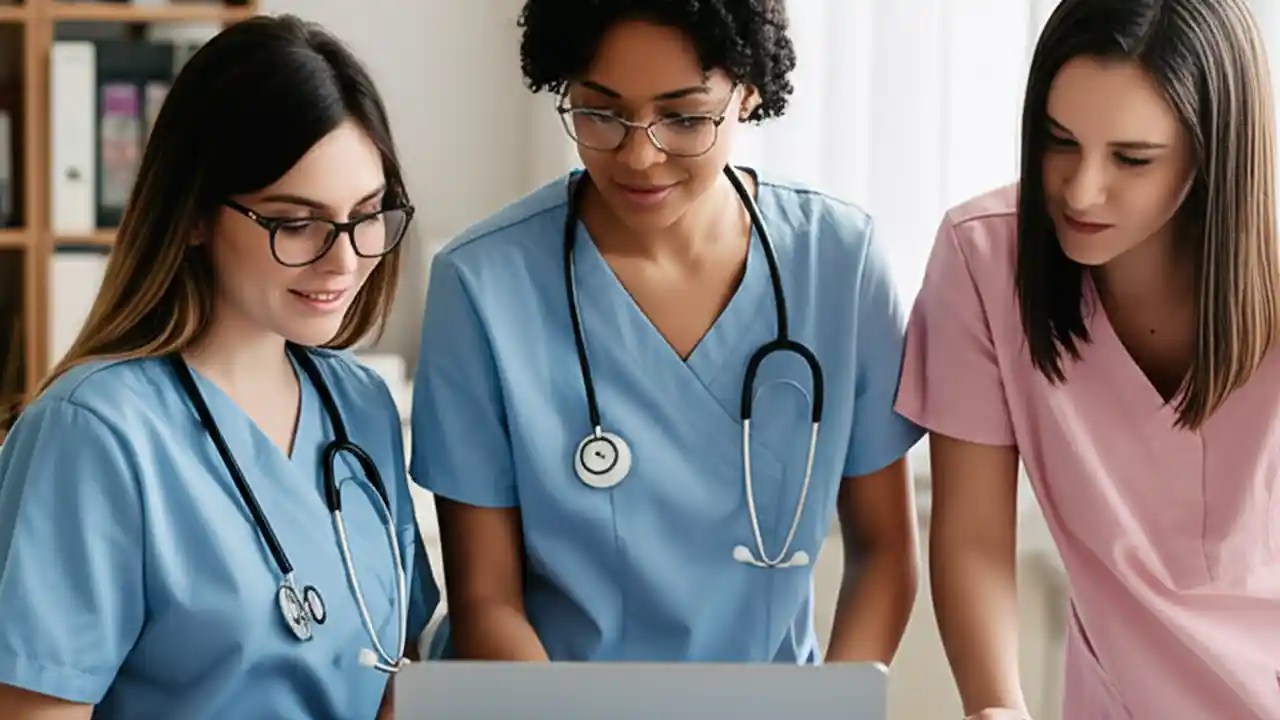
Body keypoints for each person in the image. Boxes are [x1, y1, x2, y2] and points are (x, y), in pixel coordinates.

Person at [411, 0, 922, 665]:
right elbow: (486, 601)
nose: (640, 156)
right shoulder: (481, 284)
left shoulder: (839, 262)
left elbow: (884, 552)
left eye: (683, 118)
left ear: (748, 93)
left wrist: (836, 706)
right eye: (601, 113)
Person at [0, 15, 438, 719]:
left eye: (368, 213)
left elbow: (397, 678)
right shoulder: (93, 432)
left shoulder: (362, 407)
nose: (345, 259)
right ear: (195, 216)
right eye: (296, 222)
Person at [894, 0, 1280, 717]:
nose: (1080, 189)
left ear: (1215, 150)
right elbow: (974, 537)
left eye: (1132, 158)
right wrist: (994, 706)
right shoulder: (984, 259)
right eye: (1058, 140)